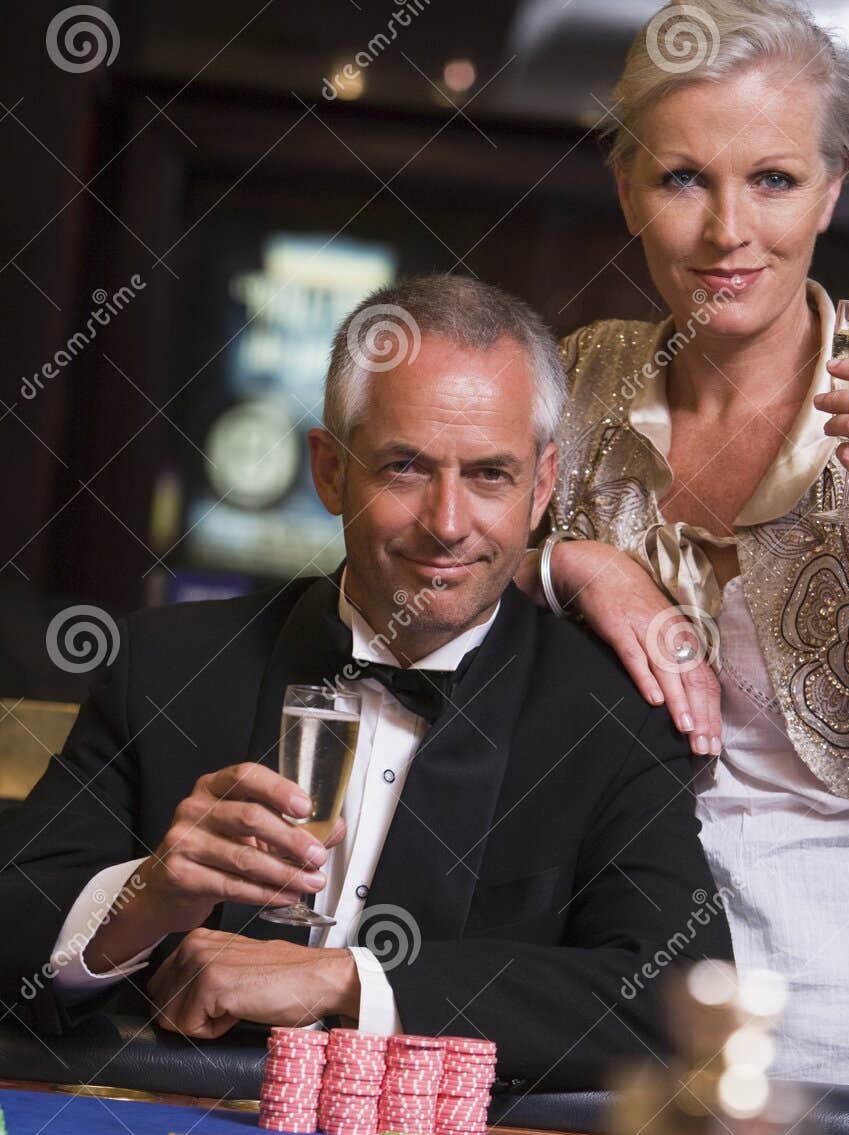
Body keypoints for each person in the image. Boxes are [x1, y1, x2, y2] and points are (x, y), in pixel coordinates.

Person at [0, 275, 729, 1092]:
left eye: (490, 474)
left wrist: (351, 981)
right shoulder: (166, 664)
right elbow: (13, 920)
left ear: (542, 486)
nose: (447, 523)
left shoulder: (611, 715)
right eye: (404, 468)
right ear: (329, 471)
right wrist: (144, 897)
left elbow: (678, 1003)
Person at [521, 0, 849, 1103]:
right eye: (681, 179)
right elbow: (421, 585)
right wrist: (566, 563)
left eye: (772, 179)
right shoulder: (576, 379)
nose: (727, 231)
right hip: (621, 1020)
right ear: (625, 187)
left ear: (831, 187)